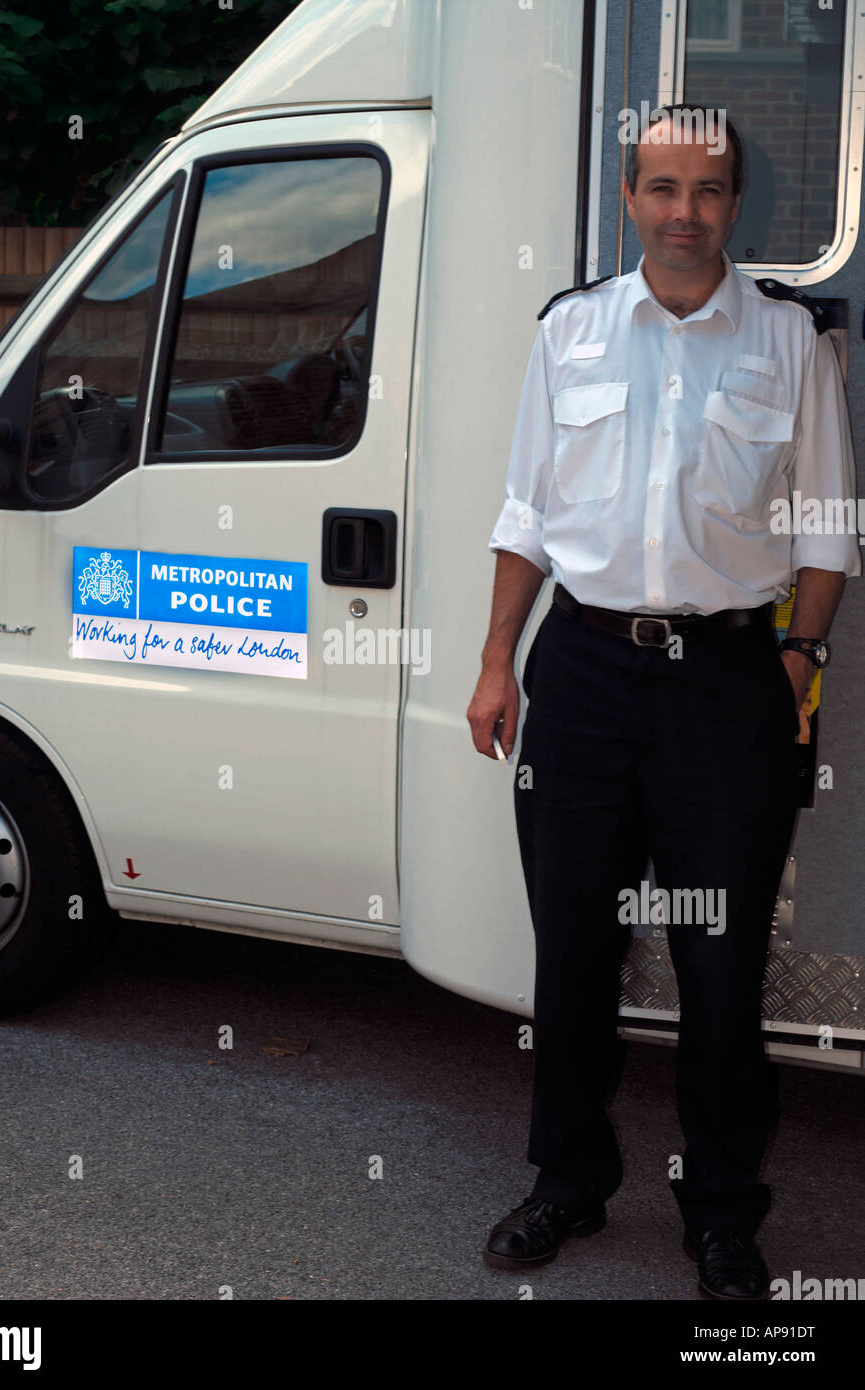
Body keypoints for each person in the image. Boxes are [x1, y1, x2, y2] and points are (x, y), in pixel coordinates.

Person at [466, 103, 860, 1300]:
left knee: (721, 962)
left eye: (708, 190)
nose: (684, 212)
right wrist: (496, 659)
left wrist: (794, 661)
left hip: (728, 686)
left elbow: (828, 526)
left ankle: (725, 1213)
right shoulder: (571, 332)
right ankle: (567, 1180)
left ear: (737, 204)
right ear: (628, 197)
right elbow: (526, 513)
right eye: (661, 188)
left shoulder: (791, 343)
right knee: (574, 947)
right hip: (581, 673)